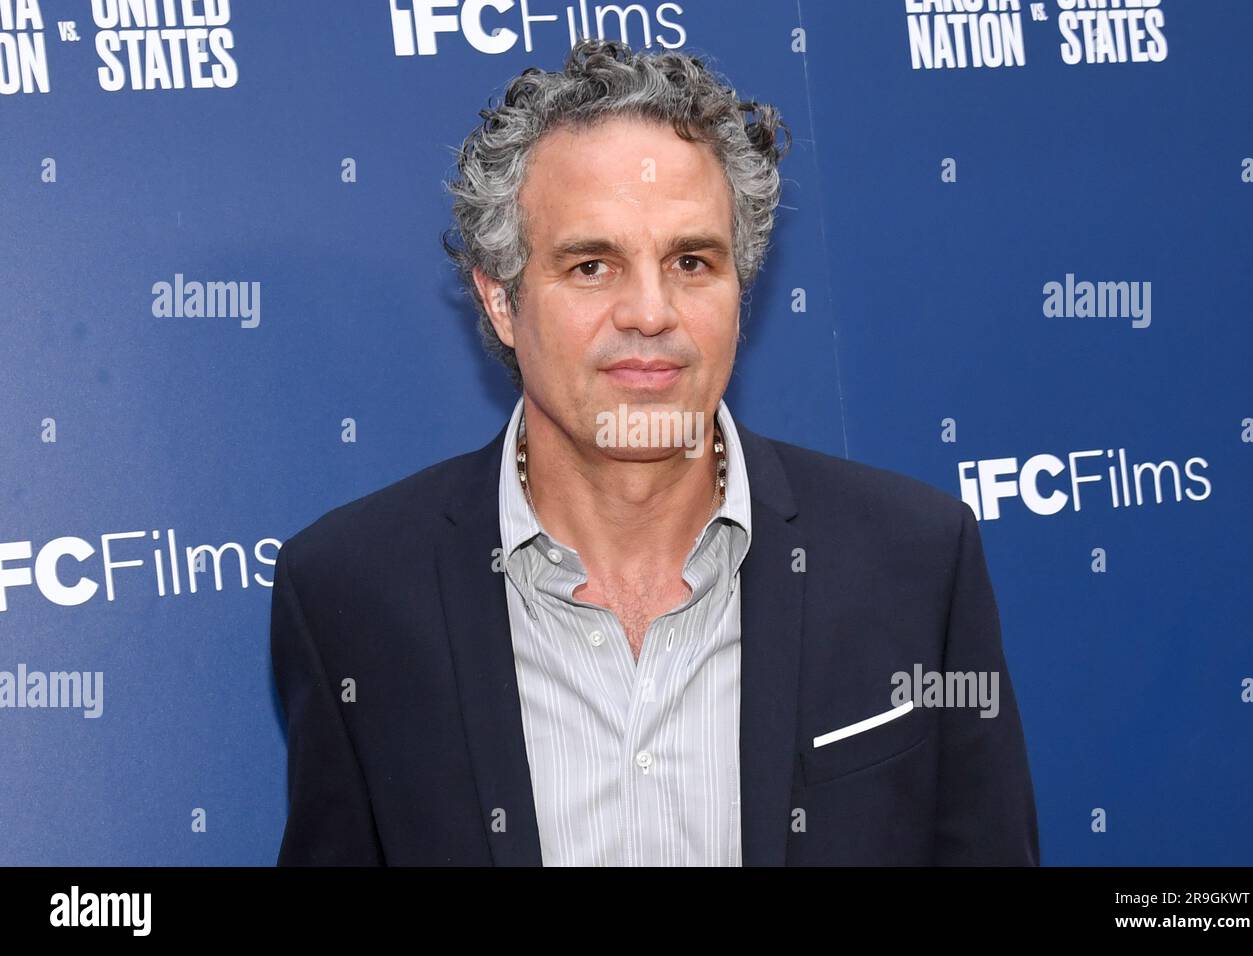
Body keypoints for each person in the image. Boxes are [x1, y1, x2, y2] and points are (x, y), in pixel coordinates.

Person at [271, 37, 1038, 866]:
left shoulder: (916, 561)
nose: (649, 312)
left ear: (740, 288)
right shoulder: (352, 594)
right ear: (501, 302)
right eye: (592, 265)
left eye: (691, 261)